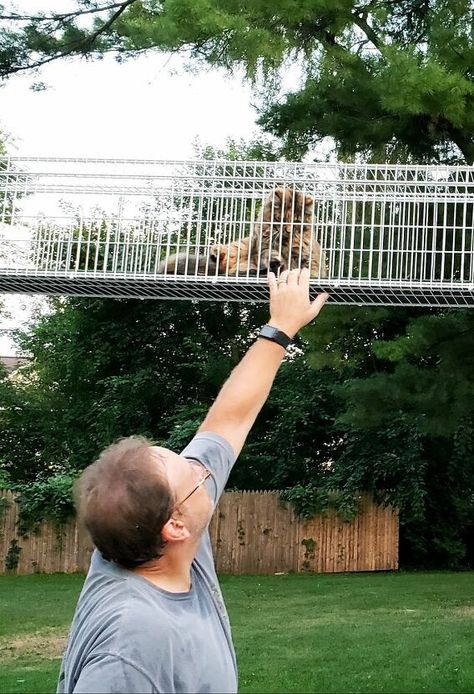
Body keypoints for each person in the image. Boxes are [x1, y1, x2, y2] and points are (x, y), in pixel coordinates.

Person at [58, 268, 328, 694]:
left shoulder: (146, 540)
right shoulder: (130, 645)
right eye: (196, 476)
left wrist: (280, 329)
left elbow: (228, 421)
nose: (206, 468)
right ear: (175, 525)